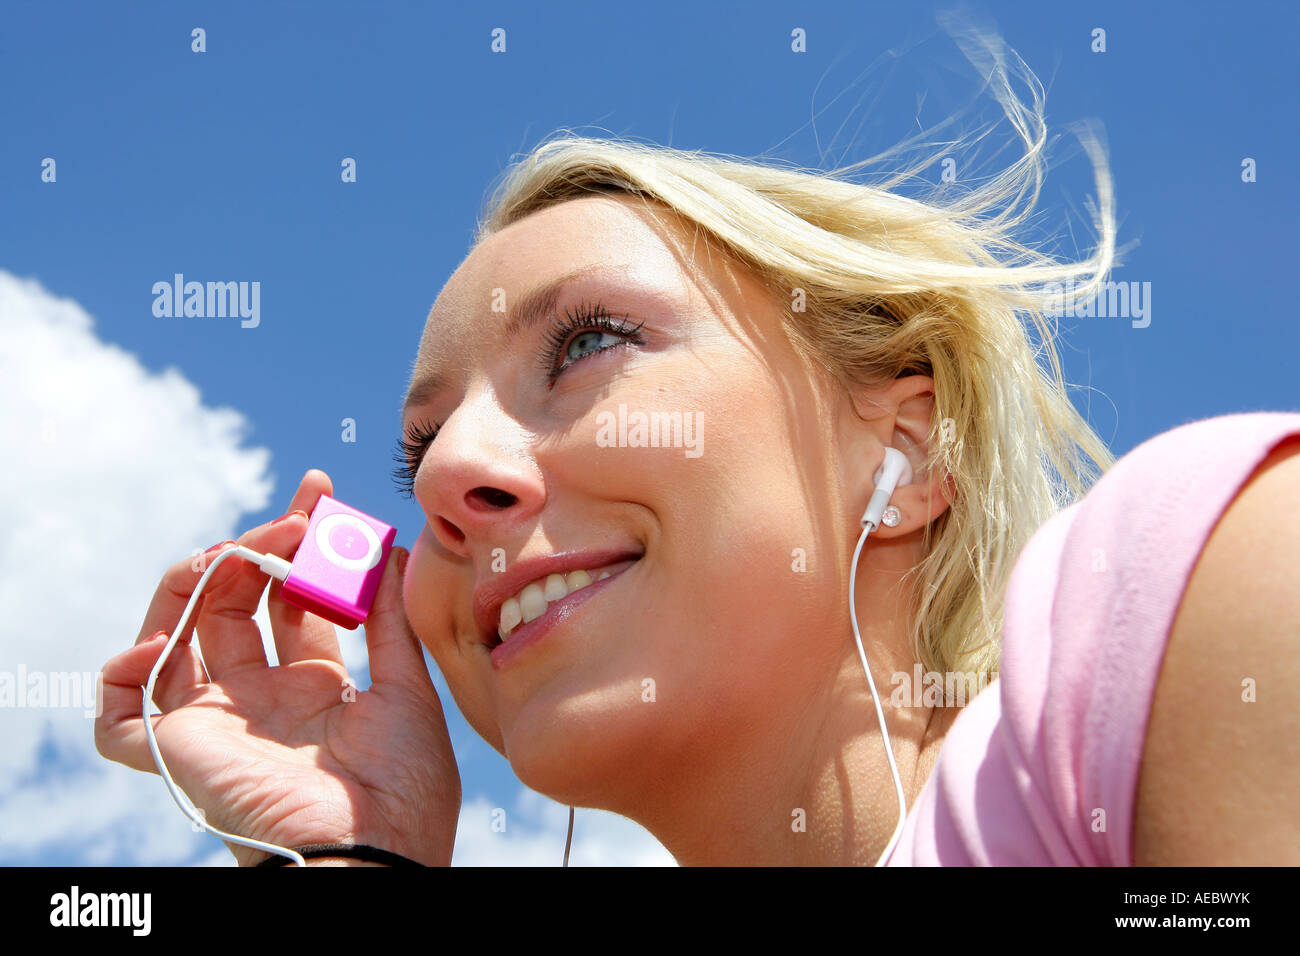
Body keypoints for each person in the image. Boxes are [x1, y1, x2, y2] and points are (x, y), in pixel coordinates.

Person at [93, 58, 1300, 867]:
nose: (457, 470)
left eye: (590, 341)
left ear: (907, 447)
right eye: (419, 450)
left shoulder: (1191, 595)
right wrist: (359, 850)